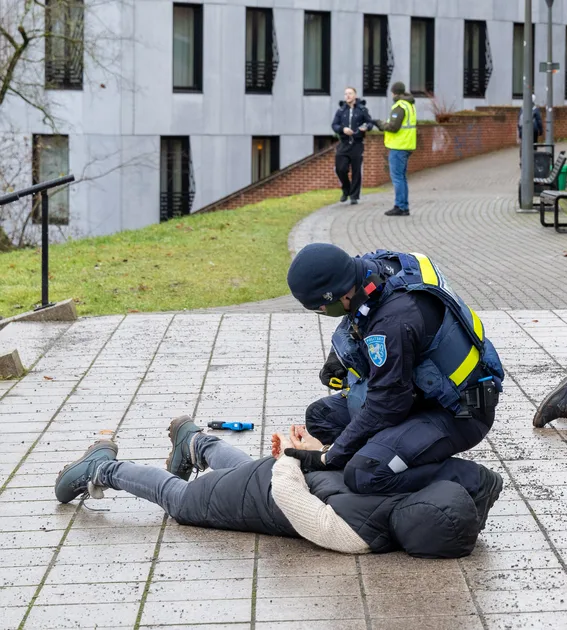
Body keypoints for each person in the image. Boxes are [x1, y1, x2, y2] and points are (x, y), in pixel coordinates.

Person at [52, 416, 503, 558]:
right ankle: (104, 468)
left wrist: (294, 455)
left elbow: (292, 498)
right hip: (275, 490)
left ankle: (191, 444)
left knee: (215, 486)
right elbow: (290, 498)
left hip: (279, 488)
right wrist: (299, 453)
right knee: (184, 500)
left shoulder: (398, 485)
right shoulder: (372, 535)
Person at [286, 244, 505, 496]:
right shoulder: (375, 268)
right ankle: (389, 457)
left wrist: (329, 456)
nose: (322, 312)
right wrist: (338, 357)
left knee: (364, 473)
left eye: (320, 307)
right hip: (419, 396)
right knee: (320, 417)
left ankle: (473, 481)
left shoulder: (394, 322)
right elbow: (361, 315)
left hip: (459, 412)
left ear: (339, 294)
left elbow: (387, 404)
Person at [373, 82, 417, 217]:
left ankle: (400, 207)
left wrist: (380, 124)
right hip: (407, 145)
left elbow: (393, 127)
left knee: (397, 178)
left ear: (394, 93)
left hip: (399, 146)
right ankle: (403, 206)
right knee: (401, 178)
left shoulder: (400, 106)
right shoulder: (409, 104)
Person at [331, 87, 373, 206]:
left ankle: (354, 196)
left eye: (350, 93)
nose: (347, 96)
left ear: (355, 95)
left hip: (357, 144)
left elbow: (370, 122)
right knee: (340, 168)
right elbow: (334, 125)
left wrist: (366, 127)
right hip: (344, 143)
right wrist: (342, 129)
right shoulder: (341, 111)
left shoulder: (362, 109)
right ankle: (346, 189)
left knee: (356, 171)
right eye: (346, 94)